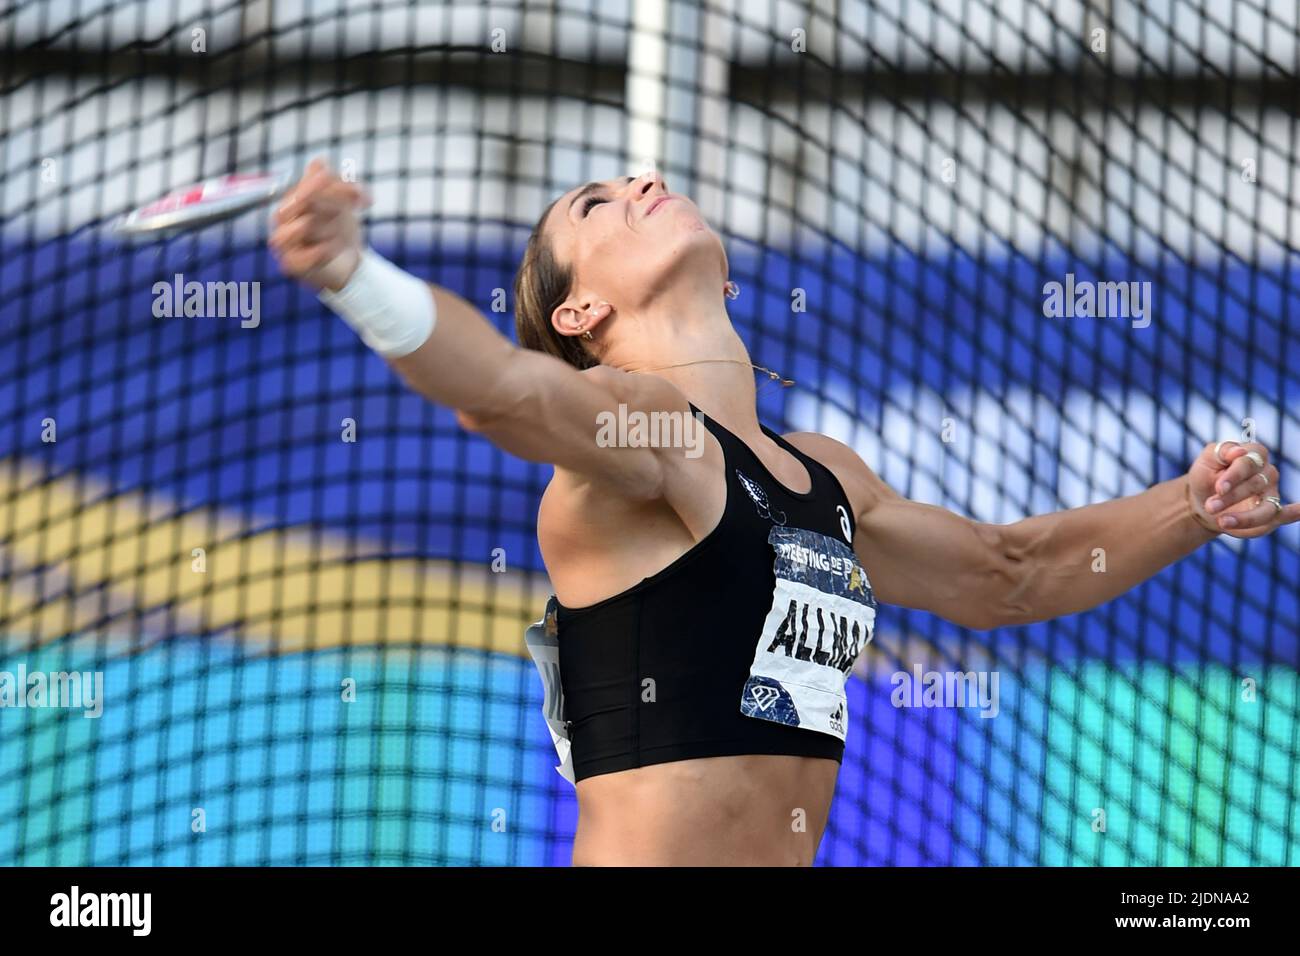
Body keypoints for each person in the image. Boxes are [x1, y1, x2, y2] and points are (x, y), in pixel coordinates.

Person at [270, 158, 1297, 866]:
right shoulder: (647, 434)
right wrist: (354, 275)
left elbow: (1008, 571)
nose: (641, 182)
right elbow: (503, 389)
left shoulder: (825, 477)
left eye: (636, 181)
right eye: (595, 203)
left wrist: (1190, 507)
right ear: (580, 314)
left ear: (722, 268)